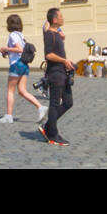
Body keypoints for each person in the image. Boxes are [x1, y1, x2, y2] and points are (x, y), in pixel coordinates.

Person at [0, 14, 45, 124]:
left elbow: (19, 49)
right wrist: (7, 51)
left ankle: (9, 116)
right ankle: (41, 107)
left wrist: (5, 48)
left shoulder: (13, 35)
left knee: (10, 90)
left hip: (16, 64)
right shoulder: (21, 35)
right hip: (24, 65)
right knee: (22, 91)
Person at [40, 8, 75, 145]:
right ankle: (53, 134)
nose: (63, 18)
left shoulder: (57, 34)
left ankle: (48, 126)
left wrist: (67, 63)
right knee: (54, 104)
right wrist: (63, 61)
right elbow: (48, 55)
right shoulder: (49, 34)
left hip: (63, 73)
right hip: (55, 73)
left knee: (68, 102)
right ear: (54, 20)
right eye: (60, 16)